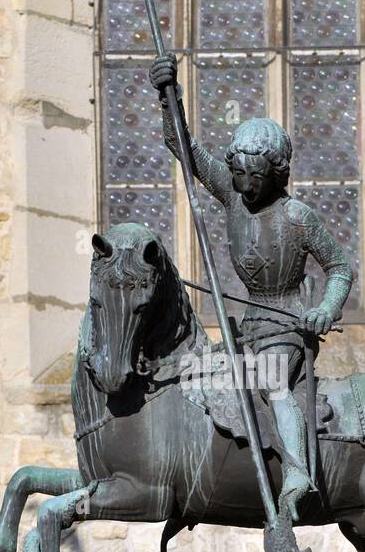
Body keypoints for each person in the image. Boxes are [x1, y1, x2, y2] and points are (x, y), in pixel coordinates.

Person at [149, 54, 353, 518]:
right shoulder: (233, 195)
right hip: (247, 326)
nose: (242, 185)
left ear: (276, 173)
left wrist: (325, 308)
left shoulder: (297, 216)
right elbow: (183, 146)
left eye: (252, 176)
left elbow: (340, 268)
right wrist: (169, 97)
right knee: (196, 374)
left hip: (287, 328)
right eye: (237, 173)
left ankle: (299, 471)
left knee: (274, 384)